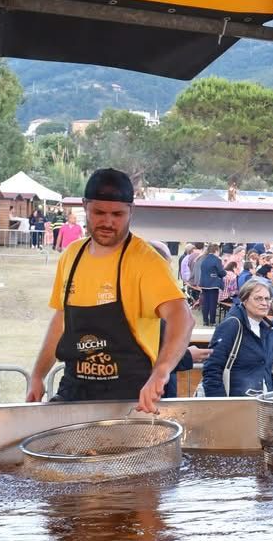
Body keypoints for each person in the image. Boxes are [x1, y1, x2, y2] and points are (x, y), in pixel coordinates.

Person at [27, 169, 192, 413]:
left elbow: (182, 317)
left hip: (129, 395)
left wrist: (161, 371)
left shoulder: (146, 262)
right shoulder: (71, 256)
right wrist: (38, 374)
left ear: (130, 211)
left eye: (117, 214)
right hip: (75, 389)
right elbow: (62, 319)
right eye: (99, 213)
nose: (108, 222)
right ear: (85, 207)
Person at [196, 245, 226, 325]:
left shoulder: (204, 258)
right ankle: (212, 321)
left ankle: (205, 321)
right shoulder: (217, 260)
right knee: (212, 303)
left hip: (204, 283)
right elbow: (221, 272)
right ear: (216, 250)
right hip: (213, 284)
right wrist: (225, 272)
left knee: (205, 303)